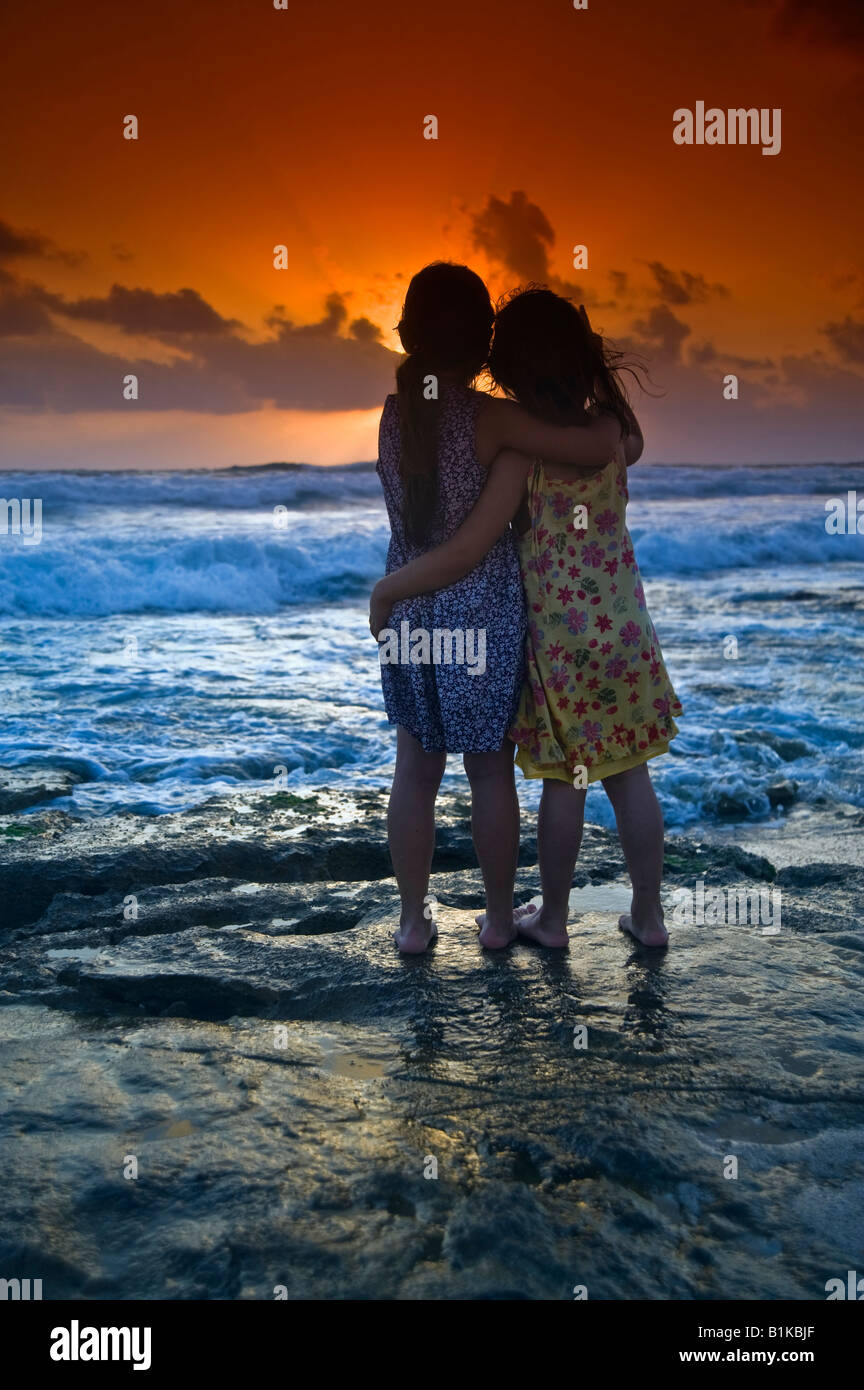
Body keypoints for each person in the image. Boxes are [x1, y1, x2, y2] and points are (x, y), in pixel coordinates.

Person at [372, 286, 682, 950]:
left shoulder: (402, 417)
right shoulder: (544, 429)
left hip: (456, 621)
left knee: (419, 770)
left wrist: (389, 589)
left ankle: (423, 922)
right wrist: (594, 380)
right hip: (565, 623)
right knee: (533, 773)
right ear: (483, 346)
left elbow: (468, 533)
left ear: (407, 336)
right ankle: (531, 918)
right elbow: (613, 442)